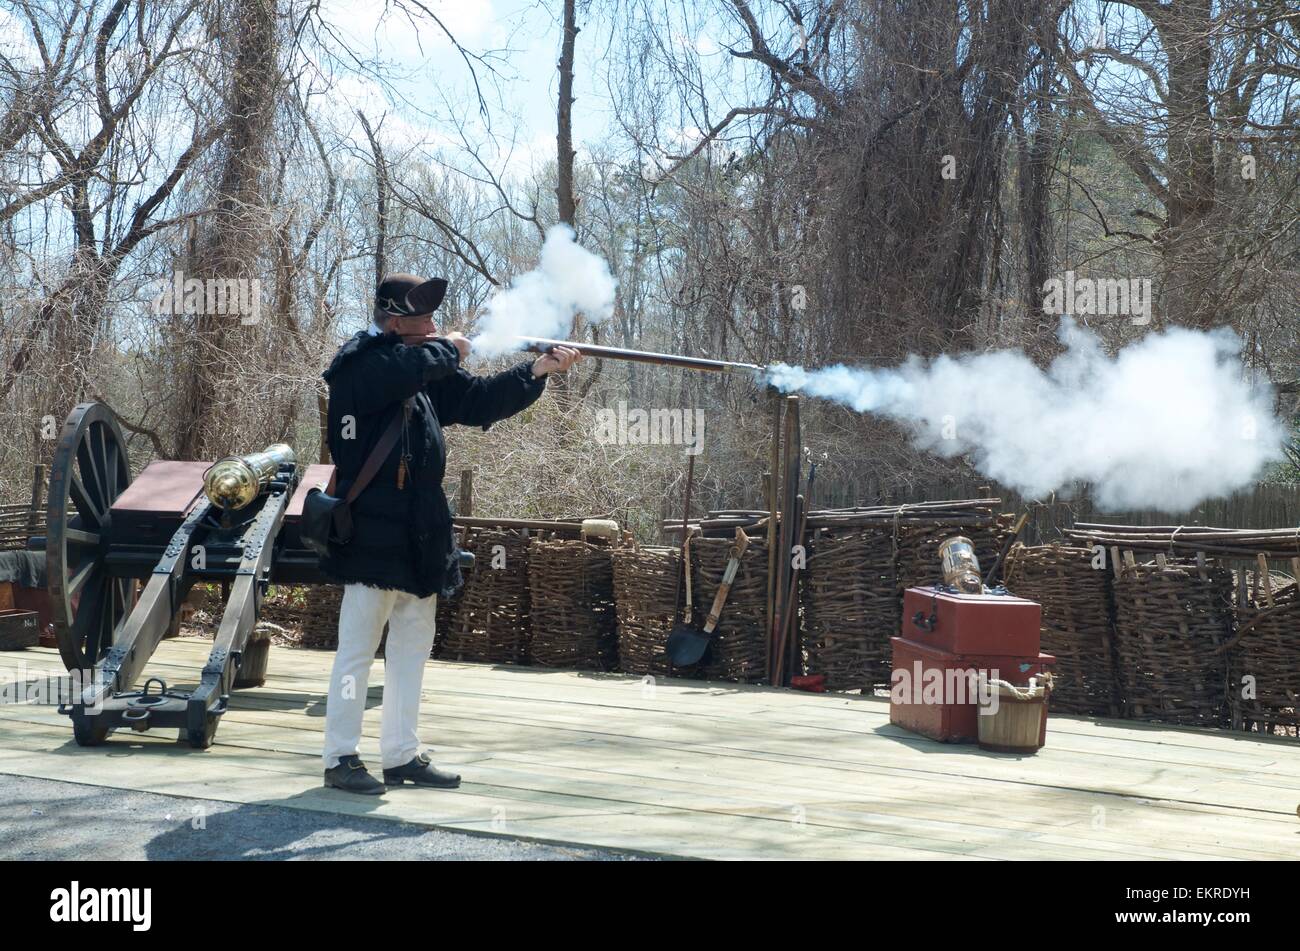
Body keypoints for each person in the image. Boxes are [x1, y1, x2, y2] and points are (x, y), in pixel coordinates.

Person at [319, 273, 581, 794]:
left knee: (412, 647)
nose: (434, 327)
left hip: (421, 529)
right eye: (423, 321)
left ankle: (400, 754)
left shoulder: (421, 364)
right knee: (357, 650)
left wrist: (537, 370)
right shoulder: (361, 362)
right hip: (372, 529)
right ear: (395, 323)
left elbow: (479, 400)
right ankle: (340, 757)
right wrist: (450, 348)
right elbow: (399, 373)